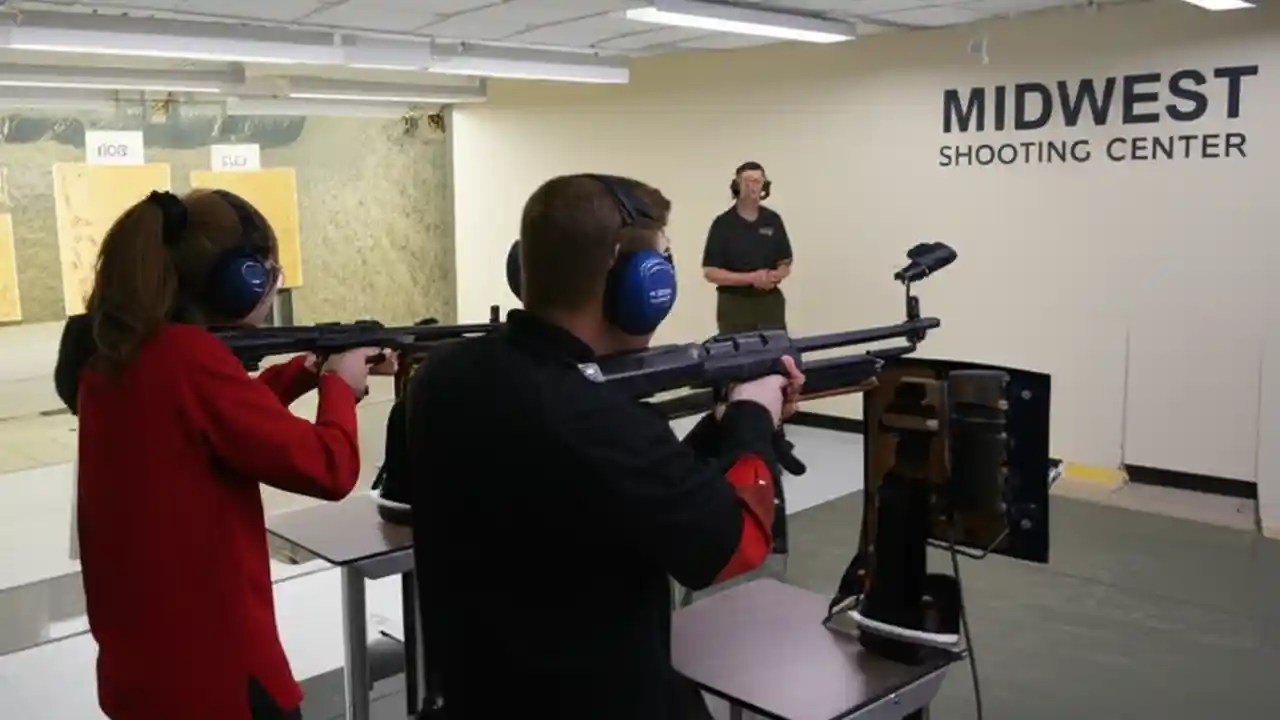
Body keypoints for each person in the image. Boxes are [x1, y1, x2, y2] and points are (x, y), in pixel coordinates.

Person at [405, 173, 805, 719]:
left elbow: (625, 484)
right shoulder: (599, 418)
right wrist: (754, 416)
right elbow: (725, 545)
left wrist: (722, 424)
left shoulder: (444, 374)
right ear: (636, 285)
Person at [55, 188, 394, 720]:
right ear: (241, 280)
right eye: (266, 271)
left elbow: (224, 418)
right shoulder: (189, 358)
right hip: (220, 682)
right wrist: (339, 388)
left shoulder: (119, 358)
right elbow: (329, 467)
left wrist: (307, 370)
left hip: (145, 681)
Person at [701, 161, 794, 334]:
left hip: (770, 304)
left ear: (764, 186)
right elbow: (711, 272)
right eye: (747, 181)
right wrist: (751, 278)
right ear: (737, 185)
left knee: (775, 348)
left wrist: (774, 276)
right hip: (735, 306)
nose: (752, 186)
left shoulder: (773, 220)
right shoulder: (722, 224)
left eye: (757, 181)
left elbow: (785, 262)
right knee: (739, 350)